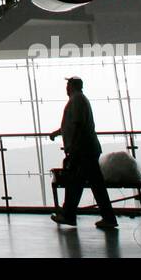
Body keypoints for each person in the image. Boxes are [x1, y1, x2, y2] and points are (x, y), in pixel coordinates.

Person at [49, 77, 116, 230]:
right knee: (85, 184)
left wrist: (73, 147)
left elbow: (78, 124)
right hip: (86, 149)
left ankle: (69, 215)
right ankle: (105, 217)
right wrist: (57, 133)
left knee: (75, 183)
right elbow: (73, 124)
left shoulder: (77, 100)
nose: (66, 87)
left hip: (82, 150)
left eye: (67, 85)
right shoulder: (79, 99)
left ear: (72, 86)